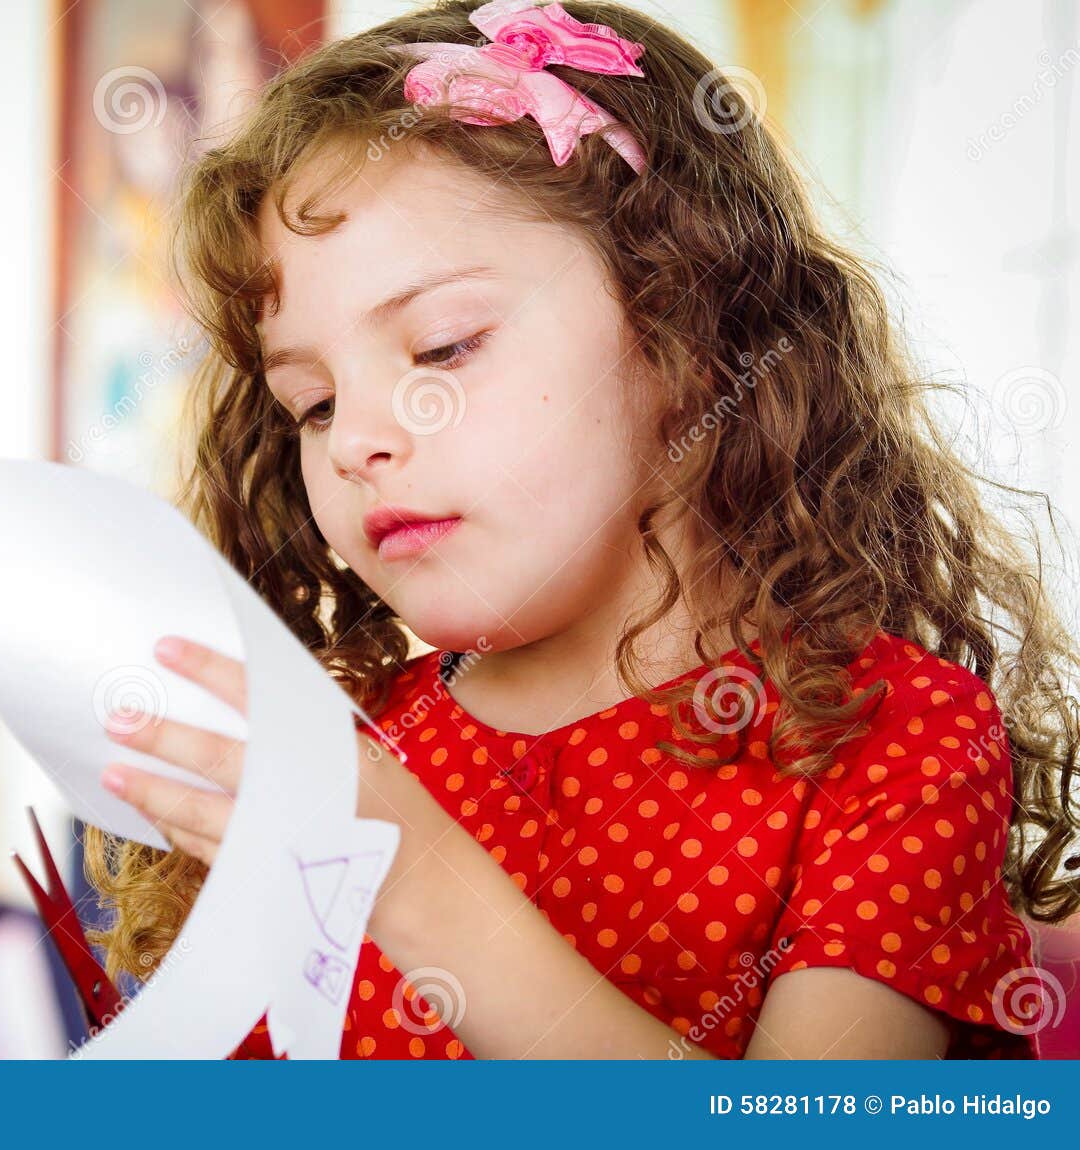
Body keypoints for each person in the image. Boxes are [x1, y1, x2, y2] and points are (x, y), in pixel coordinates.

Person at [84, 0, 1080, 1059]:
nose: (355, 440)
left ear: (690, 334)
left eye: (443, 347)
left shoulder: (893, 740)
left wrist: (414, 880)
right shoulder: (346, 749)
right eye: (314, 403)